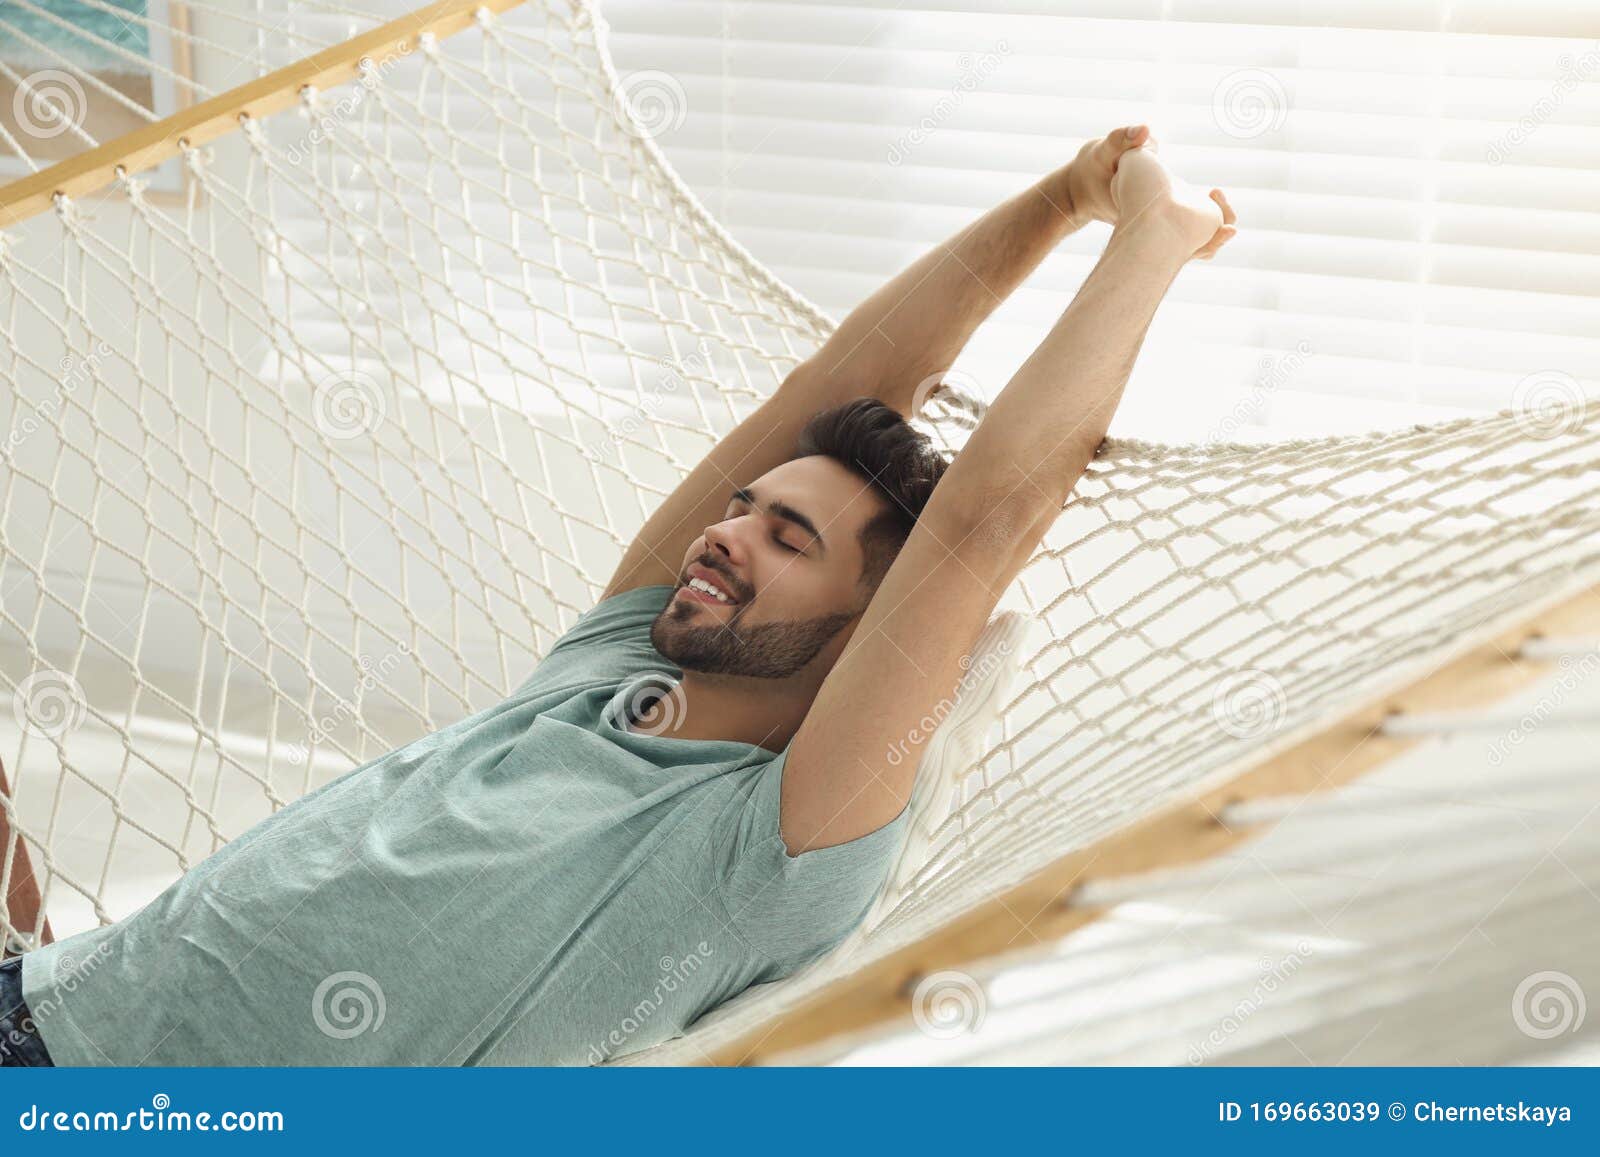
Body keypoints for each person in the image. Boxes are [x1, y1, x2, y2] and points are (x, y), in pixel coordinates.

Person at [3, 126, 1233, 1066]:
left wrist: (1149, 235)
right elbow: (842, 381)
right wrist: (1057, 197)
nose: (724, 530)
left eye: (785, 534)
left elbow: (987, 519)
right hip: (55, 990)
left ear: (870, 625)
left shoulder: (767, 842)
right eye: (742, 503)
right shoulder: (606, 670)